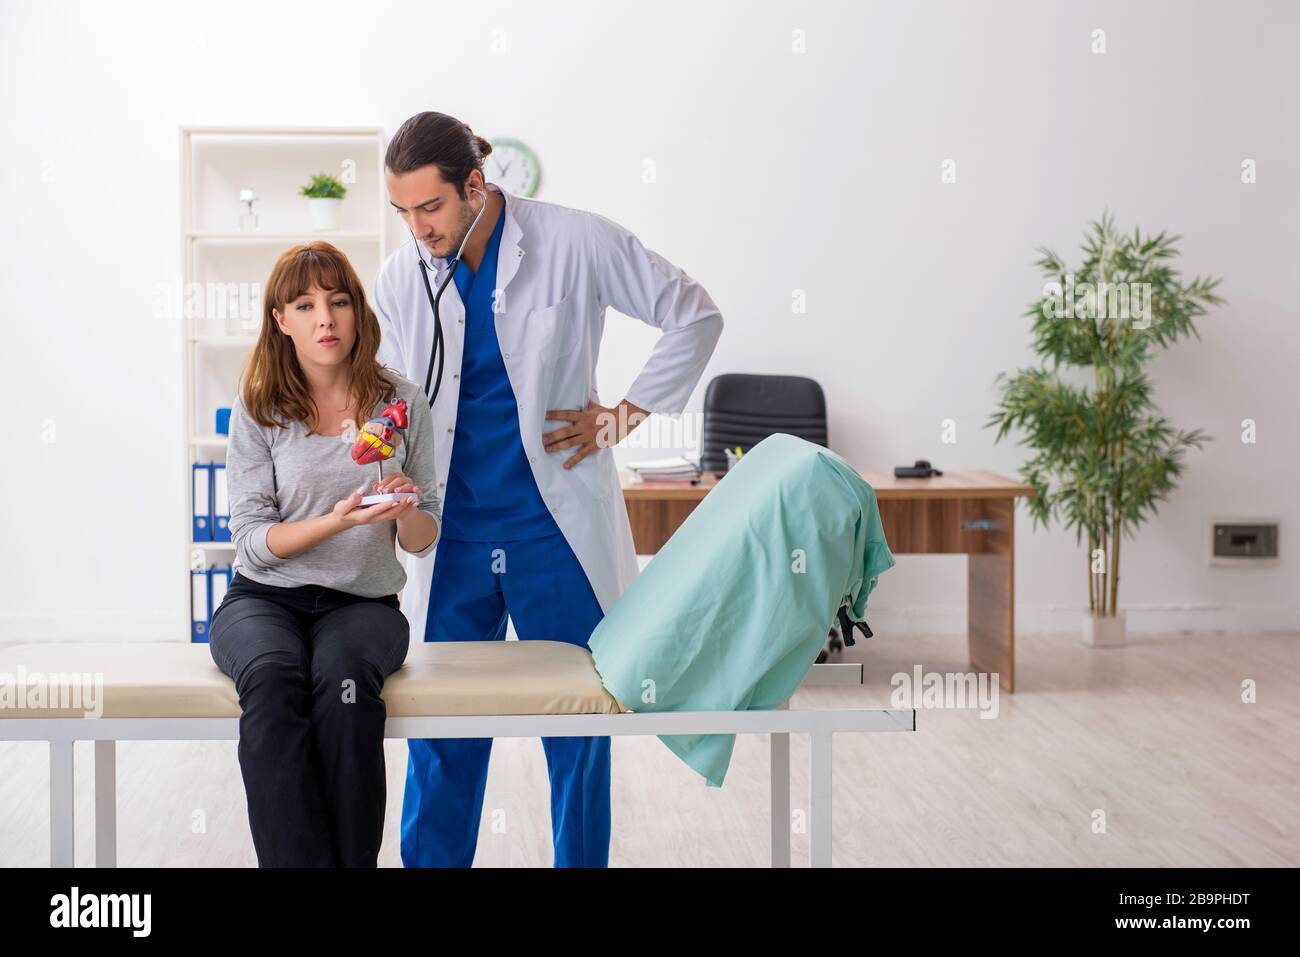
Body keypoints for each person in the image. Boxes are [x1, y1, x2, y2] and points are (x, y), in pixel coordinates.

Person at [373, 111, 724, 868]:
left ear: (475, 185)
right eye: (402, 212)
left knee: (577, 729)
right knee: (443, 731)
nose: (417, 229)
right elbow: (401, 389)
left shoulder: (575, 239)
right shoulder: (403, 274)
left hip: (552, 528)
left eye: (429, 207)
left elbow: (694, 313)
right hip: (454, 529)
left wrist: (624, 417)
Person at [209, 241, 442, 867]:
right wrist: (332, 522)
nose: (326, 319)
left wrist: (407, 510)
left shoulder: (402, 402)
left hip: (362, 602)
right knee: (273, 678)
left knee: (342, 684)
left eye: (339, 301)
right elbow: (252, 541)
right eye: (305, 304)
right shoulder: (260, 407)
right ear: (280, 320)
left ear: (358, 311)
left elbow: (425, 538)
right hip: (263, 598)